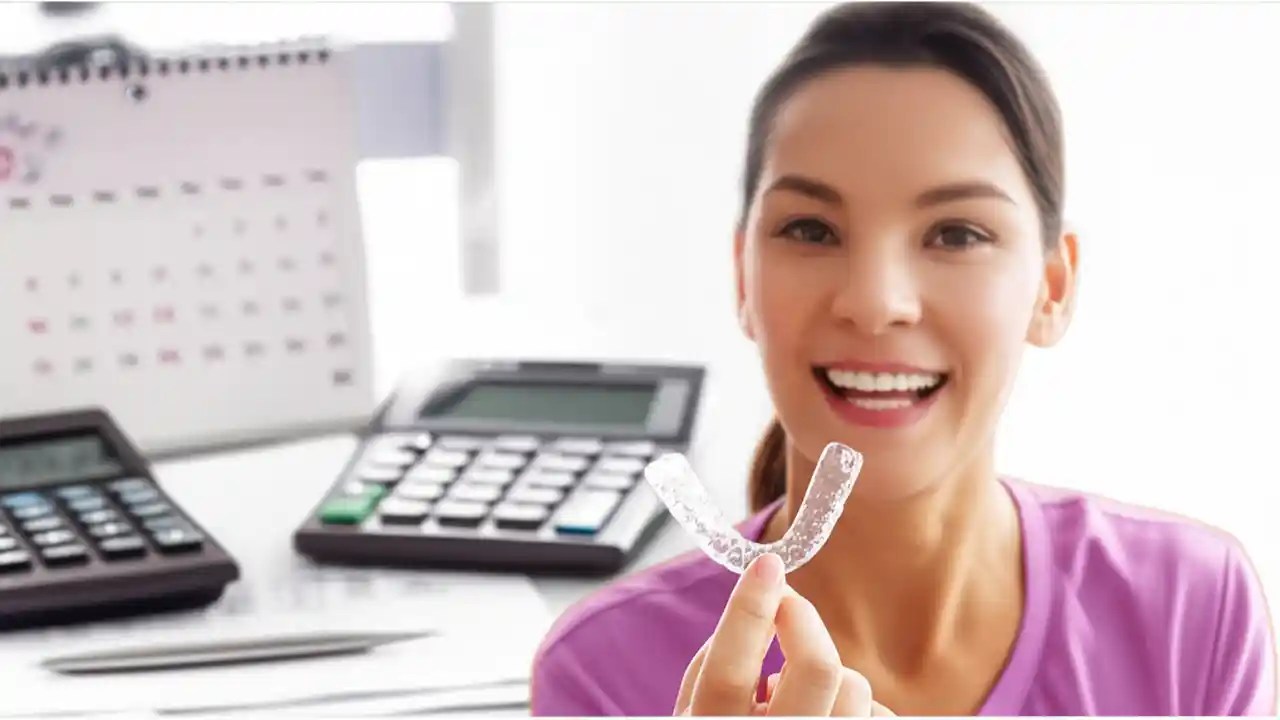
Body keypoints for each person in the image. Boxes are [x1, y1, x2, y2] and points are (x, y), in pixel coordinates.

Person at [529, 2, 1278, 716]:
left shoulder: (1193, 610)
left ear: (1052, 286)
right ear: (742, 277)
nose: (876, 300)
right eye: (811, 231)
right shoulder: (602, 670)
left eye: (956, 234)